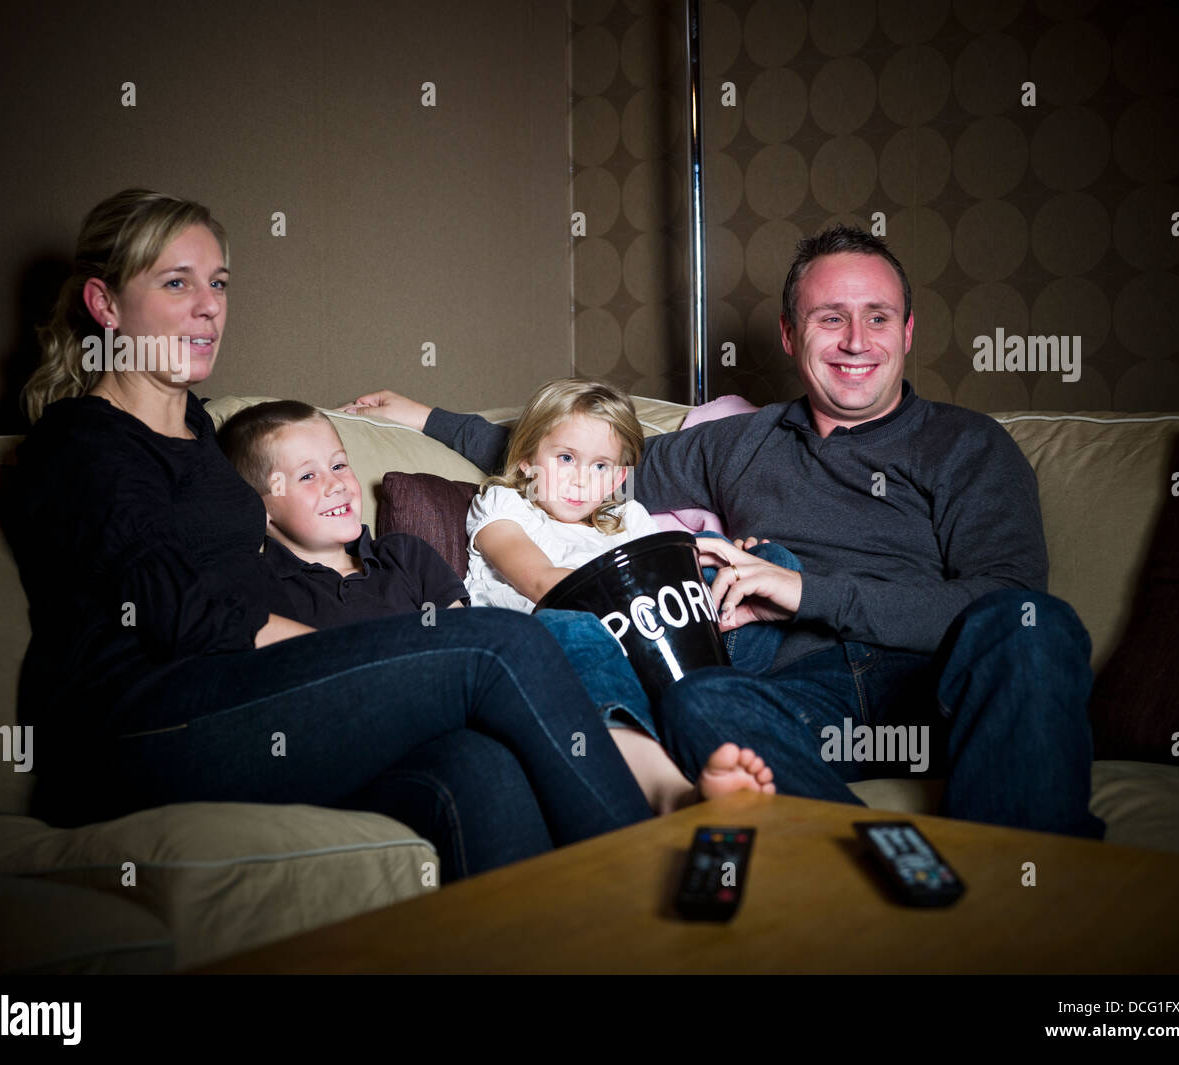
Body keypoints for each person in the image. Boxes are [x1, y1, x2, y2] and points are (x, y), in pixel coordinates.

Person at [348, 224, 1104, 839]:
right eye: (828, 318)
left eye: (877, 317)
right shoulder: (740, 443)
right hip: (801, 699)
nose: (854, 340)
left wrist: (808, 590)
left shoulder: (970, 445)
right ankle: (878, 875)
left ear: (907, 331)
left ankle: (1018, 900)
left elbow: (1008, 601)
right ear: (788, 333)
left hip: (937, 686)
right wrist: (424, 419)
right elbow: (577, 467)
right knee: (699, 702)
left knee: (1033, 625)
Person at [11, 188, 660, 884]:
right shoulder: (81, 442)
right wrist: (384, 654)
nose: (209, 306)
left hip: (231, 698)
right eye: (177, 282)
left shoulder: (200, 434)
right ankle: (654, 890)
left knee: (478, 767)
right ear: (105, 306)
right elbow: (190, 615)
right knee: (500, 645)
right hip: (132, 732)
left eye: (219, 283)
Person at [216, 395, 776, 815]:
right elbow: (533, 590)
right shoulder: (255, 581)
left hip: (476, 691)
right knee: (565, 628)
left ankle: (733, 745)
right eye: (308, 476)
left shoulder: (402, 557)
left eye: (340, 465)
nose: (338, 484)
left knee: (771, 567)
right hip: (387, 706)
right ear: (254, 507)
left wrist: (711, 566)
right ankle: (673, 789)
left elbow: (467, 641)